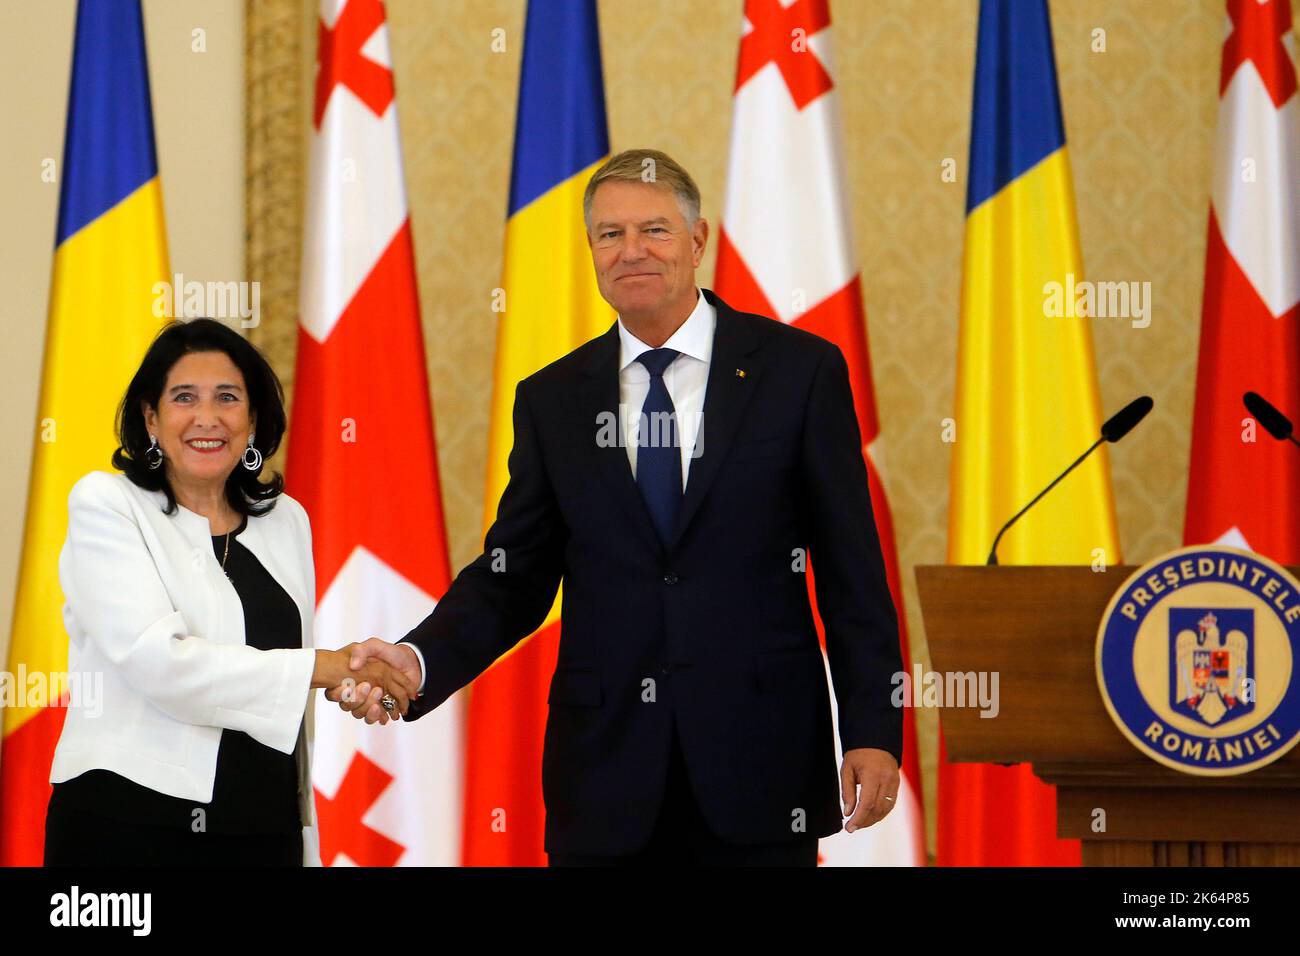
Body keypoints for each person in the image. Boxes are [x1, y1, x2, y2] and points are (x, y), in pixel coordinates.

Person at [334, 149, 903, 866]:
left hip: (761, 768)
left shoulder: (799, 372)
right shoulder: (554, 400)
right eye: (609, 234)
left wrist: (873, 729)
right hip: (605, 780)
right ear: (592, 251)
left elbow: (854, 573)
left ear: (697, 242)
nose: (631, 250)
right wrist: (418, 660)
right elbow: (514, 576)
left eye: (654, 231)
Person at [44, 318, 414, 867]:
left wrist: (348, 682)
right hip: (129, 828)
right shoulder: (107, 505)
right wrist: (326, 667)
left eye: (227, 398)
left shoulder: (285, 520)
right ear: (151, 417)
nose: (207, 418)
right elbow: (161, 665)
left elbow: (284, 672)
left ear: (253, 418)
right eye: (184, 398)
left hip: (264, 828)